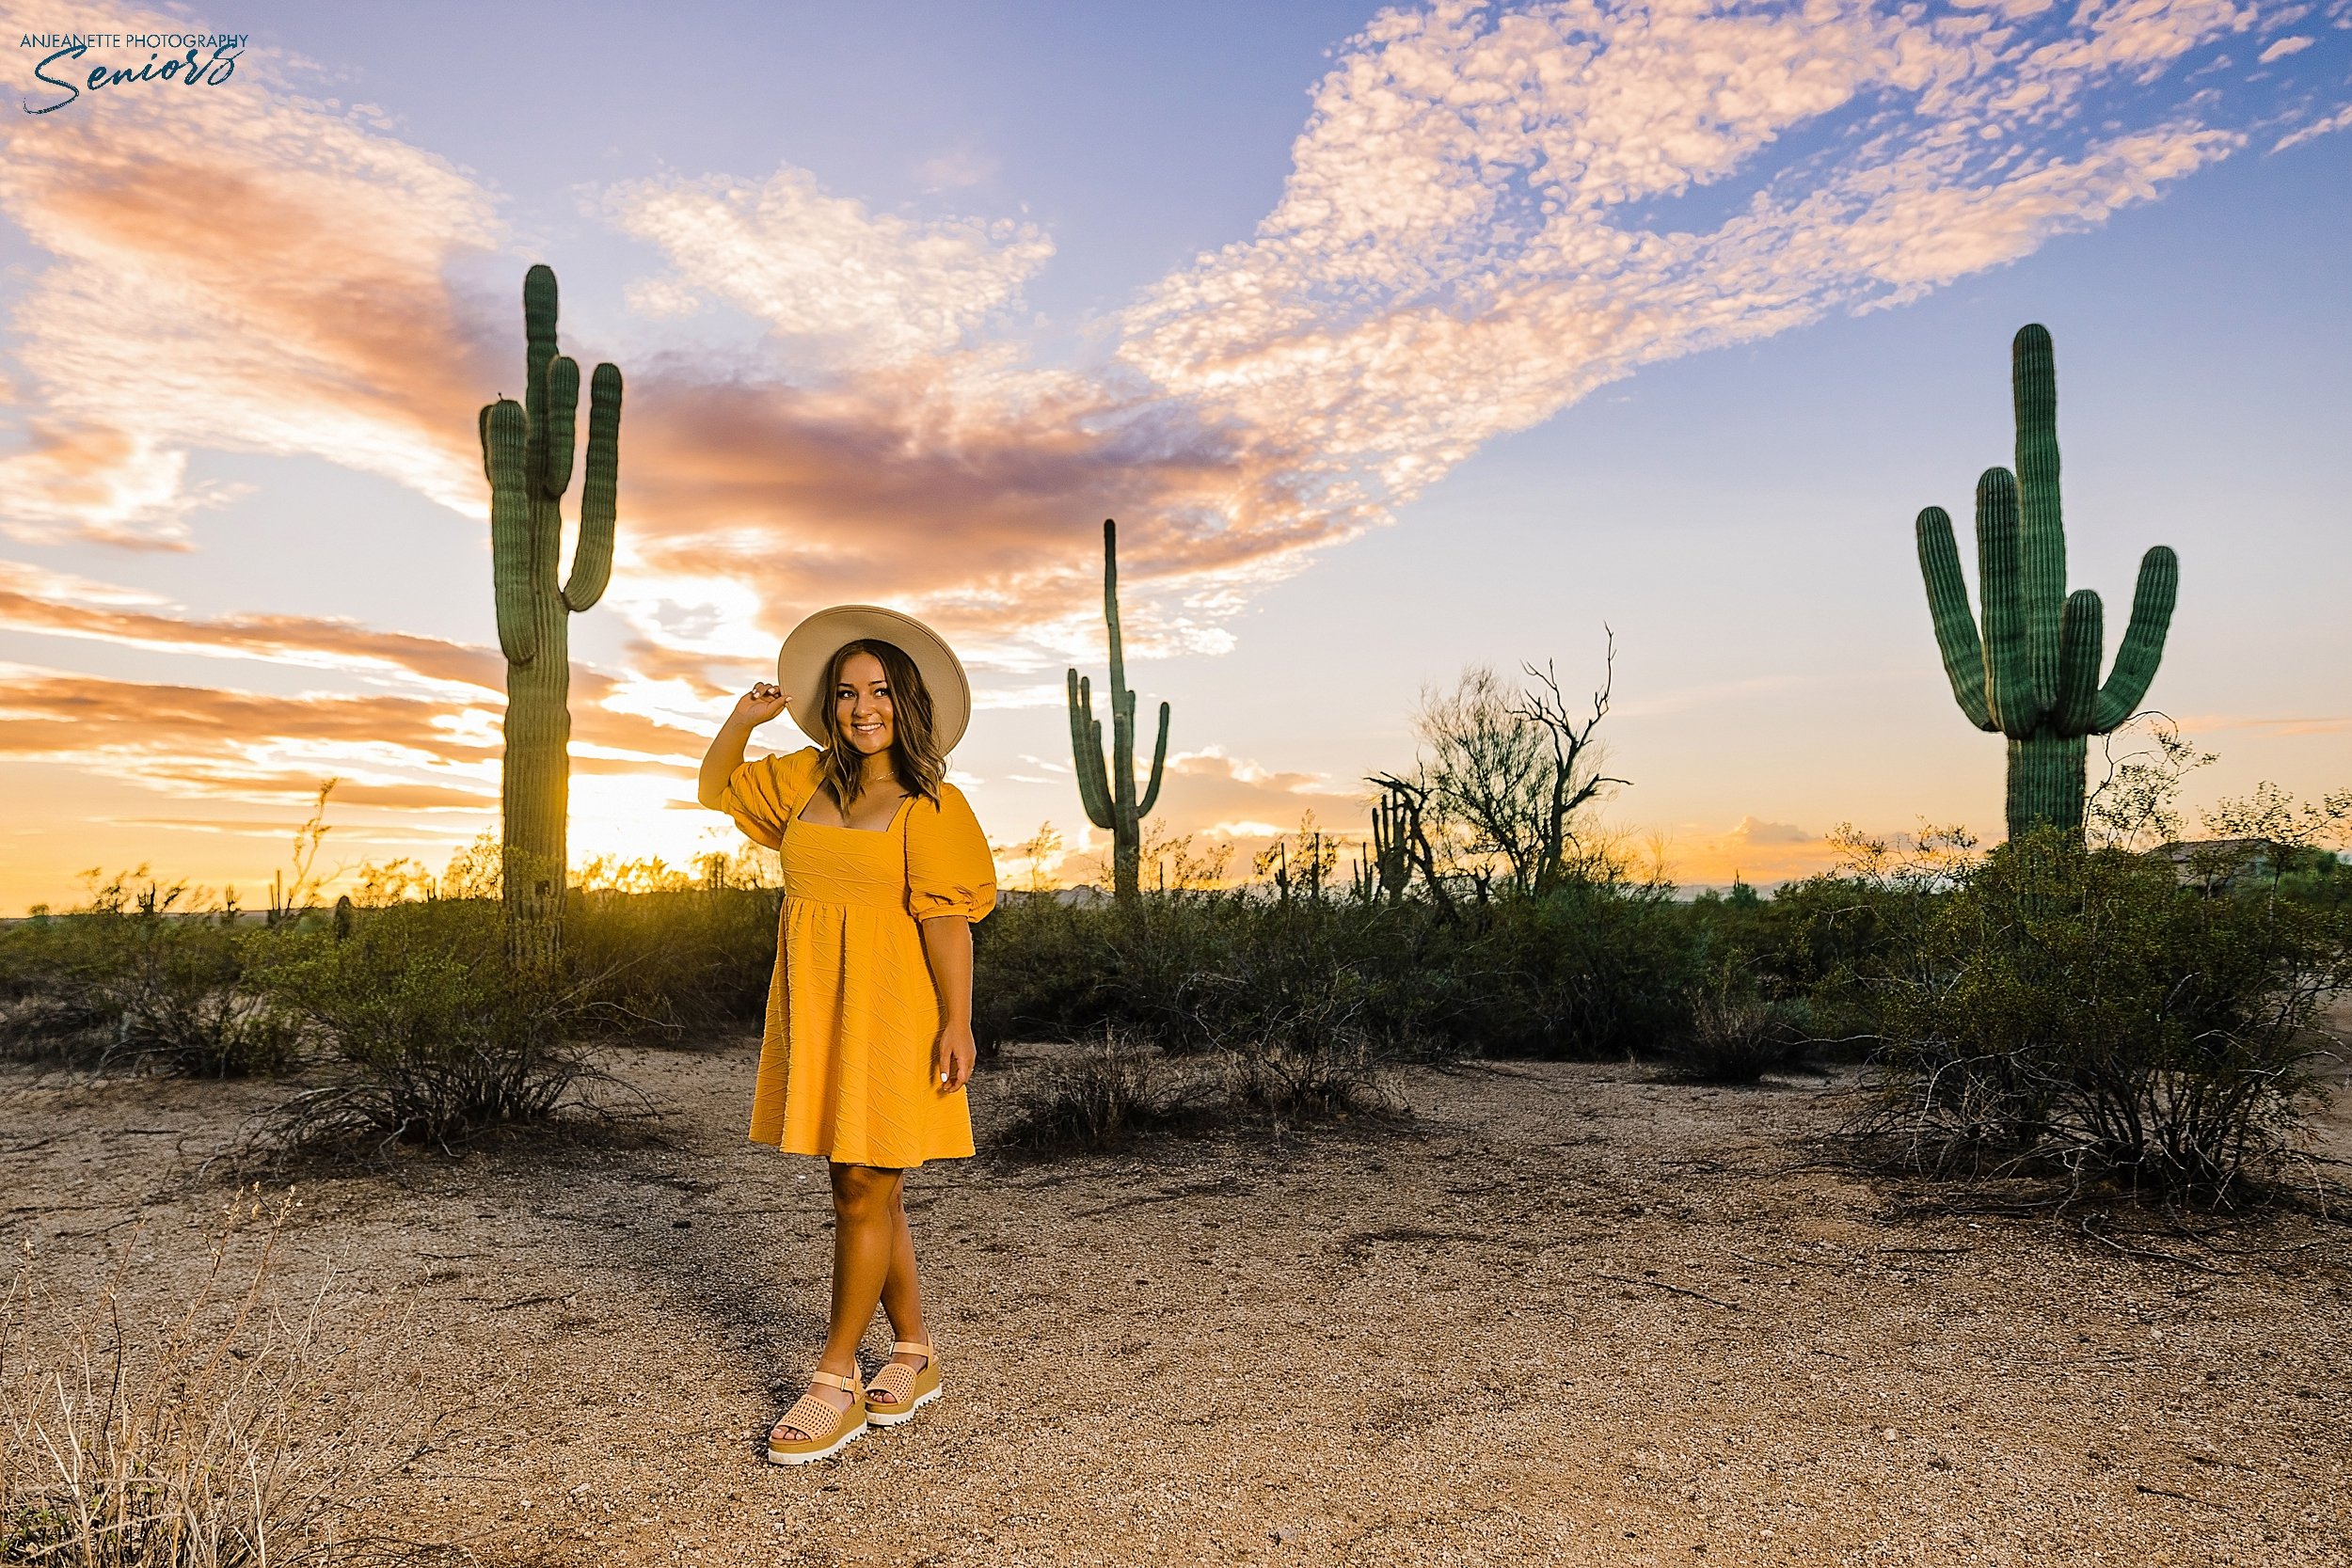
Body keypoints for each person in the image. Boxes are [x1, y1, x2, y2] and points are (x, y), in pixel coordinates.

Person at [695, 605, 996, 1465]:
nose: (864, 707)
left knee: (863, 1184)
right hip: (823, 1004)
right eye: (847, 692)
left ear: (907, 701)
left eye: (880, 690)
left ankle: (836, 1380)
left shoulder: (932, 803)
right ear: (830, 704)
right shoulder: (803, 778)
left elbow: (948, 922)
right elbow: (717, 788)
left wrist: (957, 1020)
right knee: (865, 1183)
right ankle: (916, 1352)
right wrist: (743, 719)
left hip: (895, 1008)